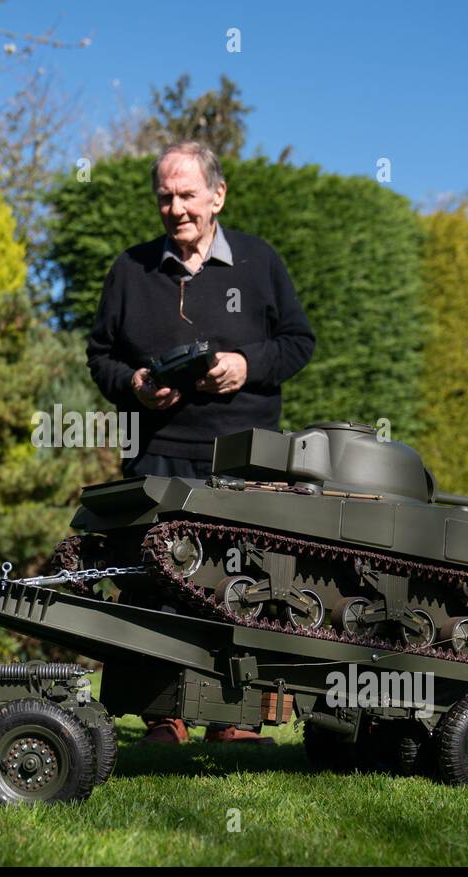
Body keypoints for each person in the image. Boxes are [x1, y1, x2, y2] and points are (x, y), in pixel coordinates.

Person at [86, 140, 317, 743]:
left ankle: (235, 720)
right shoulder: (130, 269)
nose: (176, 207)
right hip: (157, 454)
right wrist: (134, 385)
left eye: (188, 194)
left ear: (218, 195)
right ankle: (164, 716)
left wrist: (246, 364)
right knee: (152, 585)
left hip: (245, 456)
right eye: (165, 196)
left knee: (242, 584)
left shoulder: (260, 263)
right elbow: (101, 356)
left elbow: (299, 341)